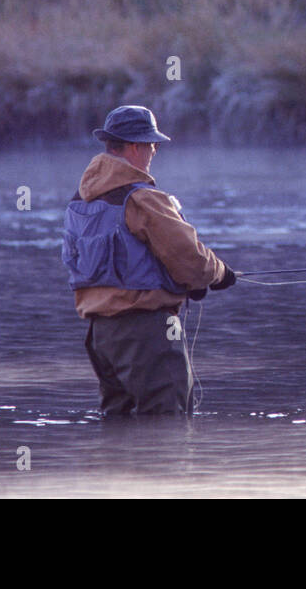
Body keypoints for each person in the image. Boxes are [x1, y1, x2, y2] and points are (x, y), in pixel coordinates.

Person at [62, 105, 237, 415]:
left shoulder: (80, 201)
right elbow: (190, 259)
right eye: (152, 143)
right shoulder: (142, 198)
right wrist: (220, 273)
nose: (155, 150)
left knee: (118, 425)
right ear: (134, 146)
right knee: (166, 423)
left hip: (100, 336)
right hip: (146, 332)